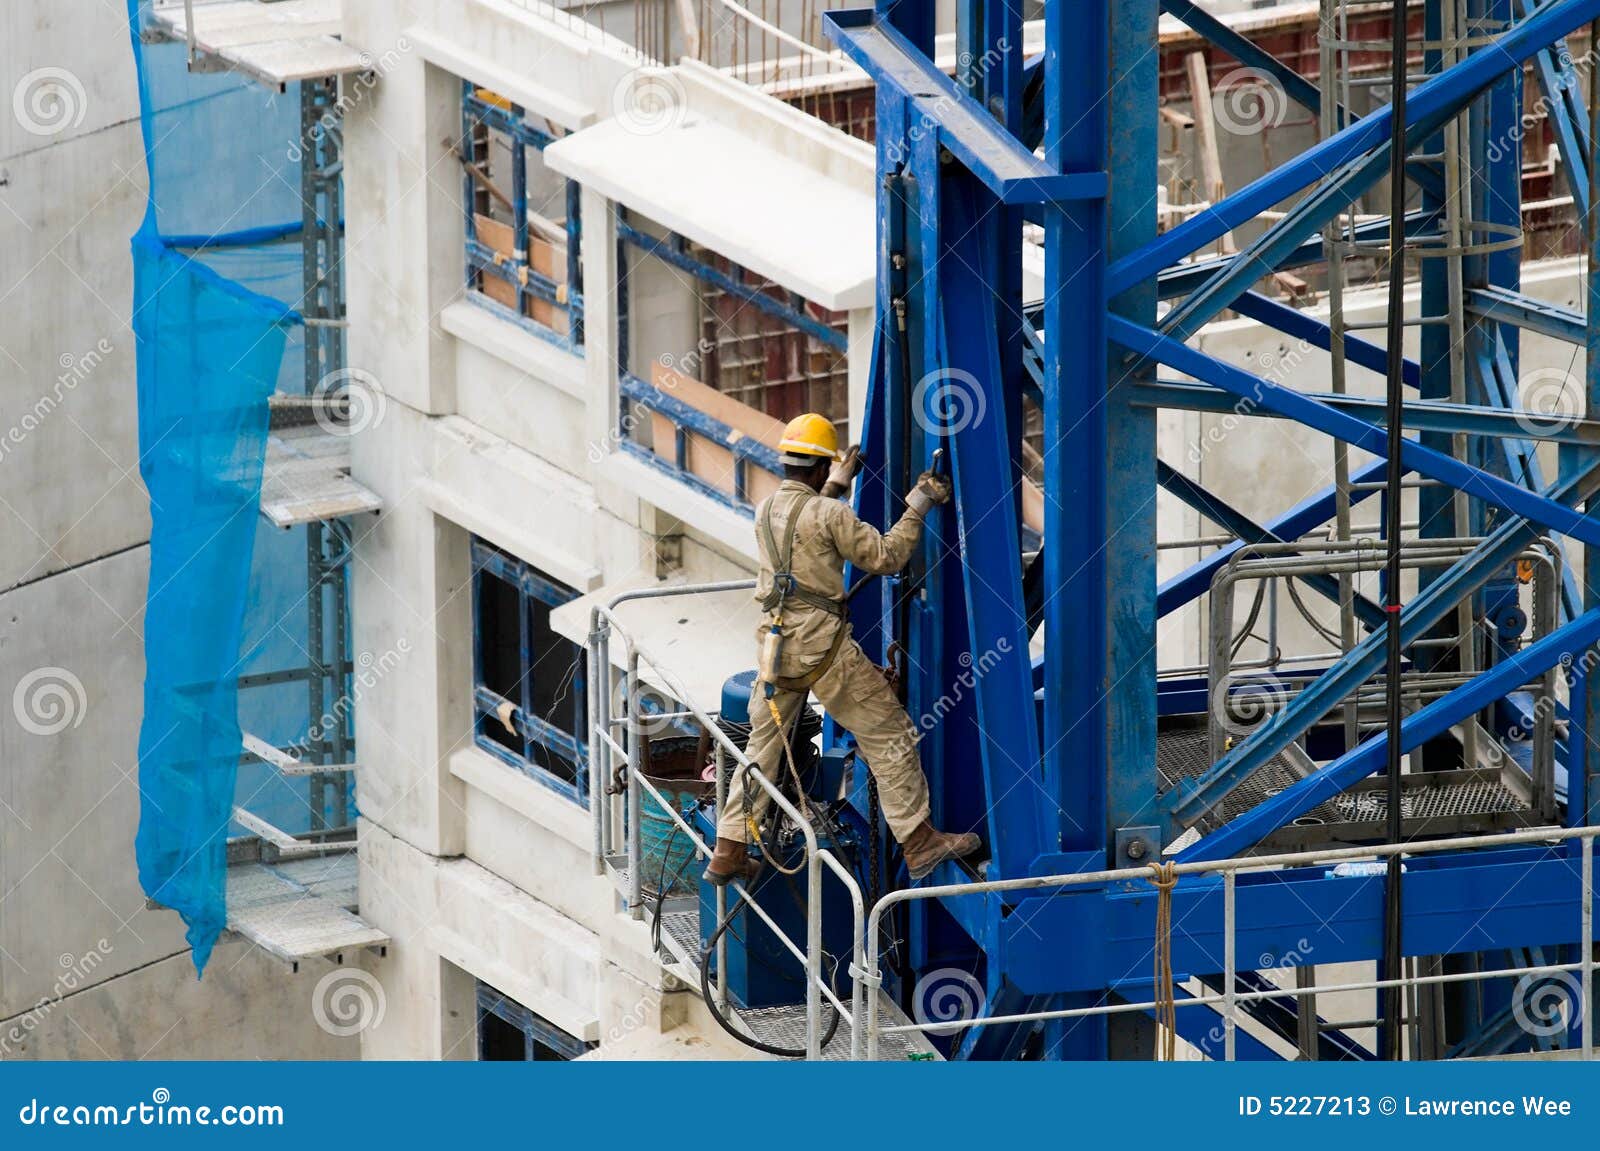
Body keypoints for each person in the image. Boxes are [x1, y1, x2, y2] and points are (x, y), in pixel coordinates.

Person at [704, 412, 983, 886]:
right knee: (888, 732)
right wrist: (919, 503)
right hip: (823, 648)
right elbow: (887, 556)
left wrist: (836, 484)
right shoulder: (830, 513)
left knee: (762, 748)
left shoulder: (766, 508)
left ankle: (728, 847)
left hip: (776, 648)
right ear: (818, 469)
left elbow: (804, 523)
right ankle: (919, 843)